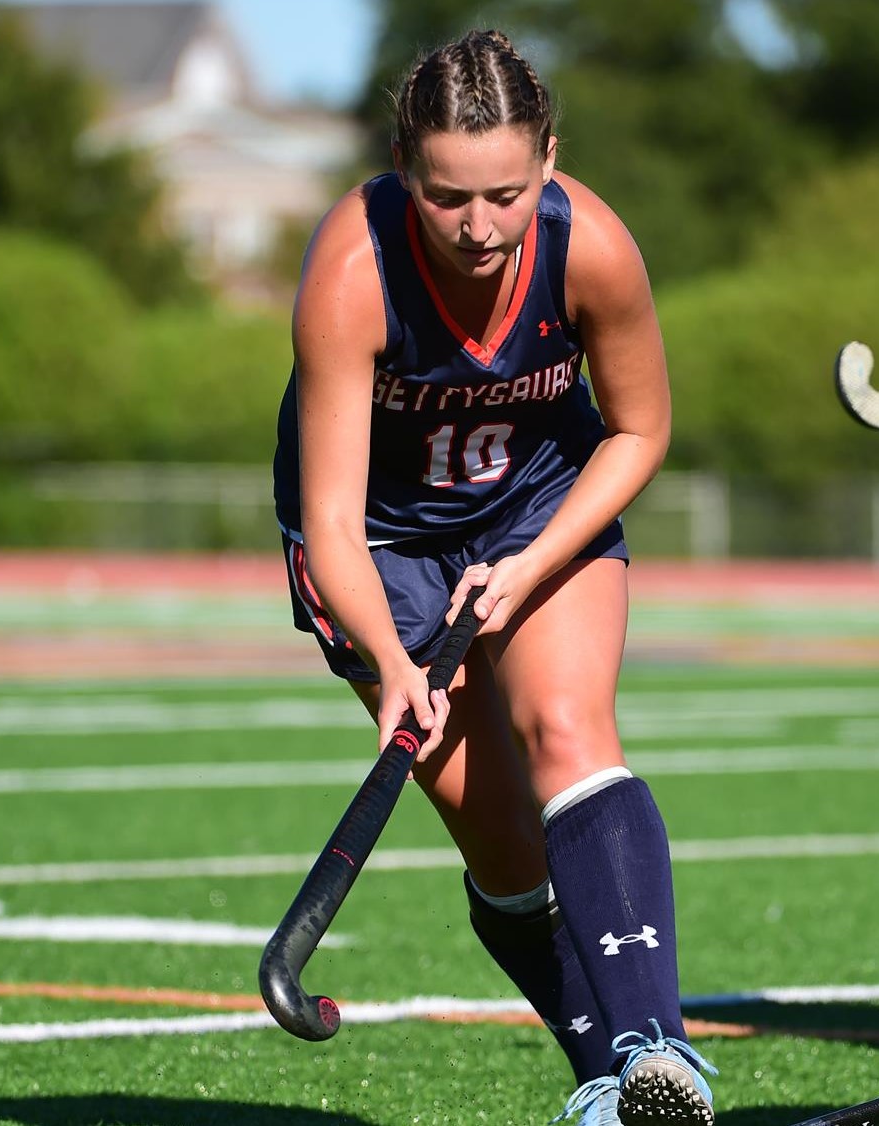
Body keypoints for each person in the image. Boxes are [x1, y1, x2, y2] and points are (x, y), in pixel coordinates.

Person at [269, 28, 716, 1126]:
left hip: (536, 507)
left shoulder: (592, 249)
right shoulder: (351, 268)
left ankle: (661, 1052)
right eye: (447, 196)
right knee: (503, 847)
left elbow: (640, 430)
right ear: (402, 167)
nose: (478, 228)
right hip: (381, 547)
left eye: (506, 195)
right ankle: (607, 1075)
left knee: (567, 726)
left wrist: (532, 561)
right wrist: (389, 664)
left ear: (548, 161)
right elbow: (328, 513)